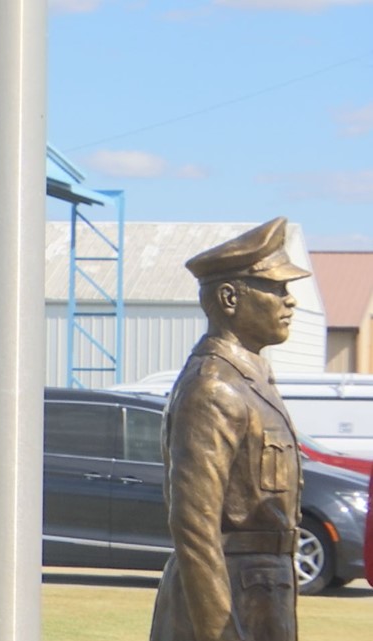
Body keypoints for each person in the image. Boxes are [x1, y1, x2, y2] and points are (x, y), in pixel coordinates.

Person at [149, 217, 310, 641]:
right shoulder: (214, 388)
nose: (289, 301)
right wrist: (220, 632)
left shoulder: (250, 382)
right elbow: (195, 527)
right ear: (229, 297)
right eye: (276, 288)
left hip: (263, 594)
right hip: (228, 604)